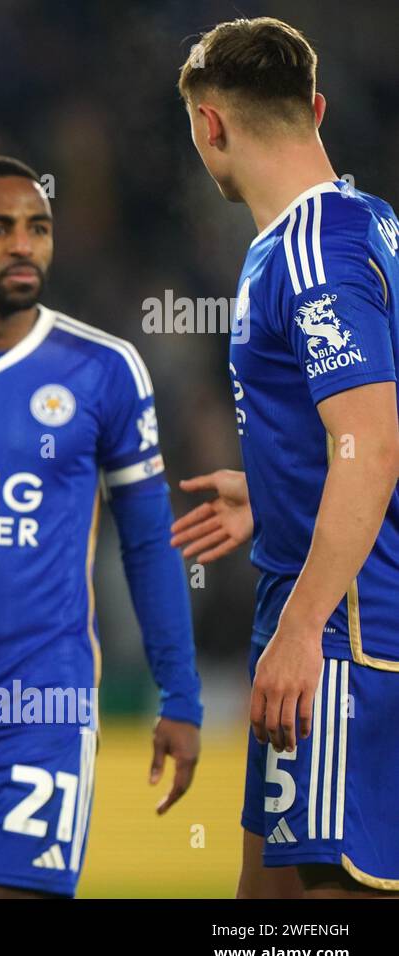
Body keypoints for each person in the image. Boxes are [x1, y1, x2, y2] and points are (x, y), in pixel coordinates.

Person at [0, 156, 201, 898]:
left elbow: (149, 544)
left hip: (41, 708)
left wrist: (180, 695)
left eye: (38, 228)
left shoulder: (105, 370)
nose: (24, 245)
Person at [175, 16, 399, 897]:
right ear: (316, 107)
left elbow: (372, 443)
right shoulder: (373, 227)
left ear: (209, 126)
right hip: (339, 617)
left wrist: (303, 631)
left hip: (347, 635)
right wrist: (273, 494)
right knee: (266, 902)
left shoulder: (311, 254)